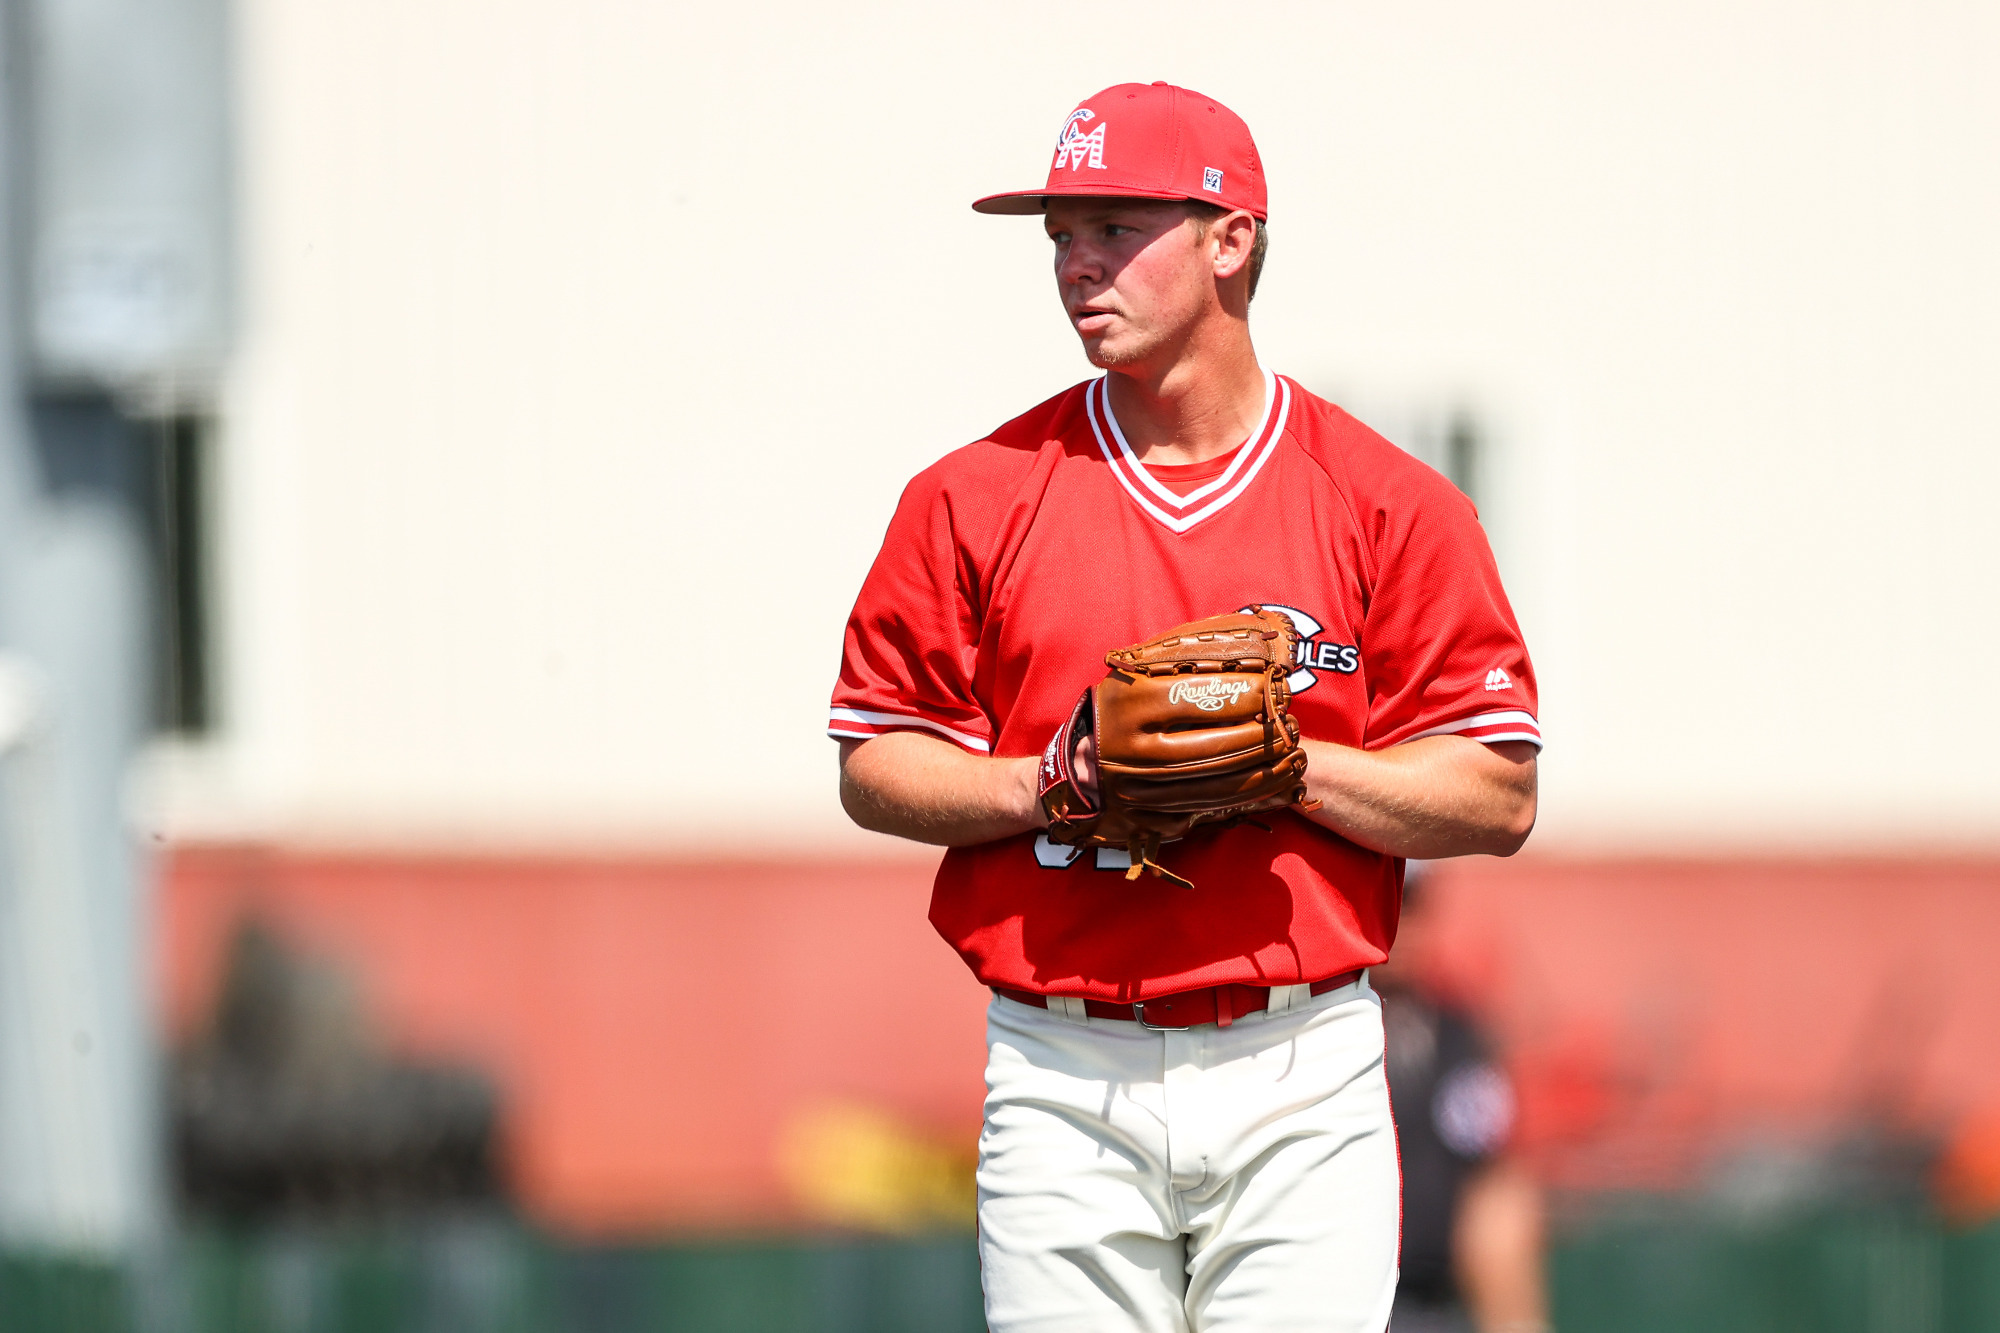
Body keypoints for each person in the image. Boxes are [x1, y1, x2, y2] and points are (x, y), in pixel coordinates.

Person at [829, 81, 1540, 1333]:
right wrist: (1042, 778)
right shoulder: (974, 494)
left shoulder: (1387, 503)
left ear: (1229, 238)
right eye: (1059, 234)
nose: (1074, 263)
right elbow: (871, 759)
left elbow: (1495, 791)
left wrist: (1288, 769)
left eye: (1114, 227)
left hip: (1299, 1060)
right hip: (1059, 1060)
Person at [1377, 866, 1550, 1333]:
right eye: (1383, 904)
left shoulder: (1456, 1038)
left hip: (1425, 1299)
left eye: (1409, 905)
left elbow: (1492, 1181)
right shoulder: (1303, 1034)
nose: (1399, 925)